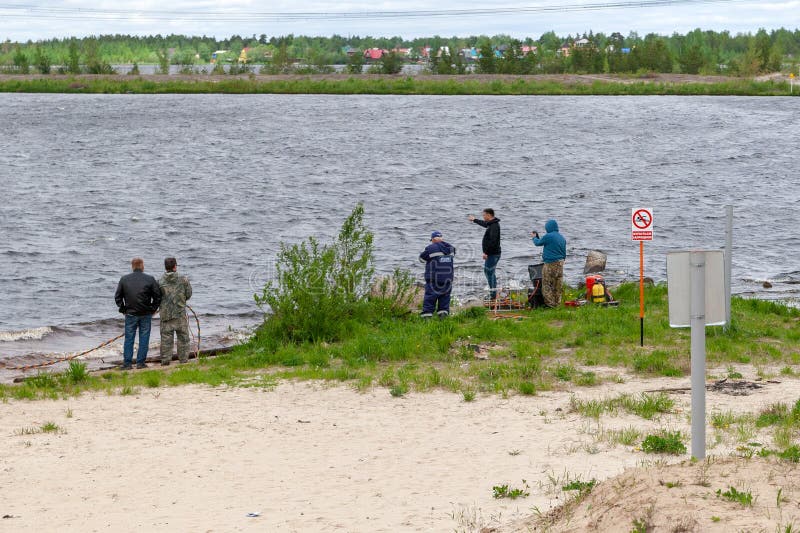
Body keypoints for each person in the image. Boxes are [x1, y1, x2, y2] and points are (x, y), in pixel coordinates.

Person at [115, 258, 161, 369]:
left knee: (129, 339)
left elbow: (117, 297)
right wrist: (153, 309)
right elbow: (158, 296)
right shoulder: (150, 279)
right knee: (144, 339)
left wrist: (123, 309)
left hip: (130, 314)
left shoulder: (124, 279)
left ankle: (127, 364)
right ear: (142, 266)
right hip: (145, 314)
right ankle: (140, 363)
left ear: (132, 266)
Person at [158, 257, 193, 365]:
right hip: (179, 313)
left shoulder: (159, 281)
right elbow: (188, 294)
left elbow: (157, 297)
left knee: (166, 339)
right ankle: (183, 360)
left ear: (165, 267)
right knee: (183, 337)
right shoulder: (184, 279)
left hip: (166, 315)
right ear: (175, 266)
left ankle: (165, 361)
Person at [530, 219, 567, 308]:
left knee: (547, 284)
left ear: (548, 228)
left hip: (550, 263)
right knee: (557, 284)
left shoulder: (548, 236)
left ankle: (550, 304)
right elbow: (564, 252)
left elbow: (538, 243)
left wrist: (534, 237)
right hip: (561, 263)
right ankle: (557, 303)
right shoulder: (562, 237)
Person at [419, 231, 456, 318]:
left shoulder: (430, 248)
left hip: (434, 279)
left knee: (430, 298)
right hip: (447, 279)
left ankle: (426, 319)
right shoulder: (451, 249)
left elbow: (421, 259)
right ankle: (443, 318)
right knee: (444, 299)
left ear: (433, 239)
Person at [468, 208, 501, 300]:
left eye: (484, 215)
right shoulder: (491, 223)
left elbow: (493, 241)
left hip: (493, 254)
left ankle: (493, 295)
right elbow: (484, 224)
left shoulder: (494, 226)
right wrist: (474, 220)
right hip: (492, 254)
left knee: (489, 272)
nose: (483, 216)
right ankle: (493, 292)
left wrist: (486, 252)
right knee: (489, 272)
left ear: (489, 215)